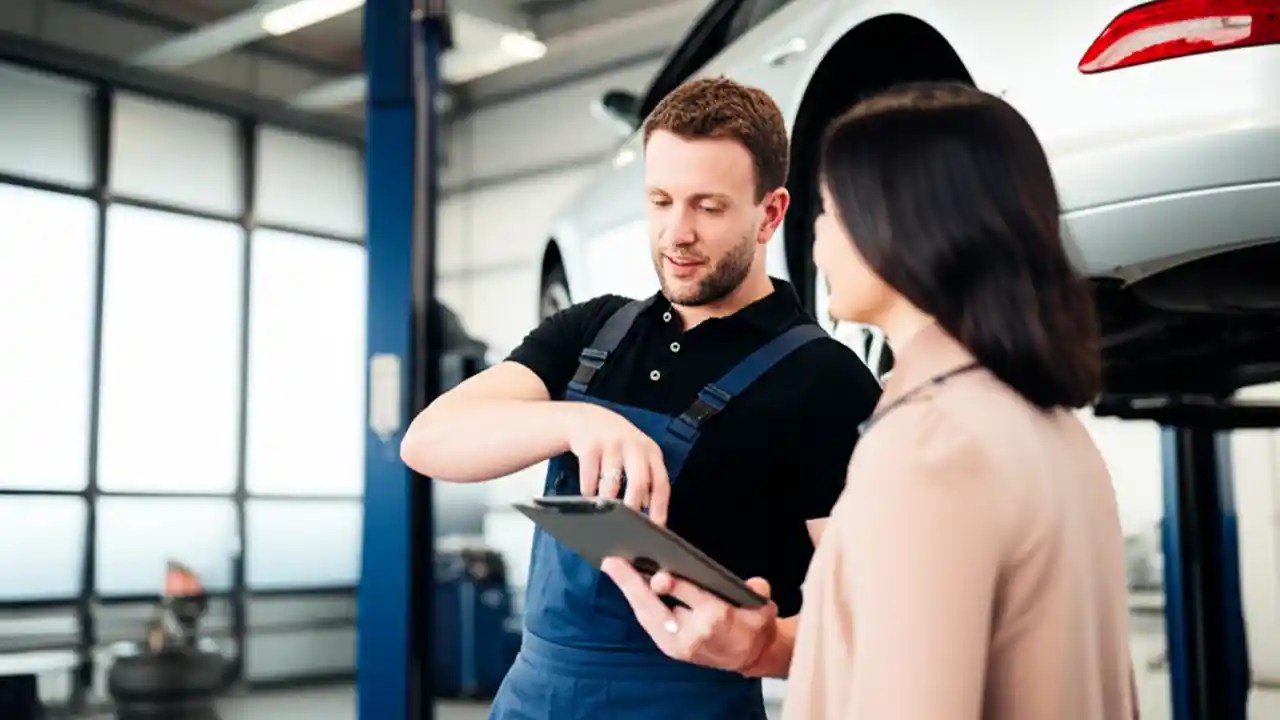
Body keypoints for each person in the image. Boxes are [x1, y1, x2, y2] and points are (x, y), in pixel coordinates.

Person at [602, 81, 1140, 719]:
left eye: (830, 210)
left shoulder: (930, 448)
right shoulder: (1048, 424)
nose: (819, 241)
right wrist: (765, 643)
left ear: (900, 228)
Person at [399, 76, 882, 719]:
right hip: (531, 695)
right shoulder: (592, 330)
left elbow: (875, 619)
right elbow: (427, 442)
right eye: (660, 201)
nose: (675, 233)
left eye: (707, 207)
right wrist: (573, 421)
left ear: (770, 213)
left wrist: (762, 646)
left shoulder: (824, 379)